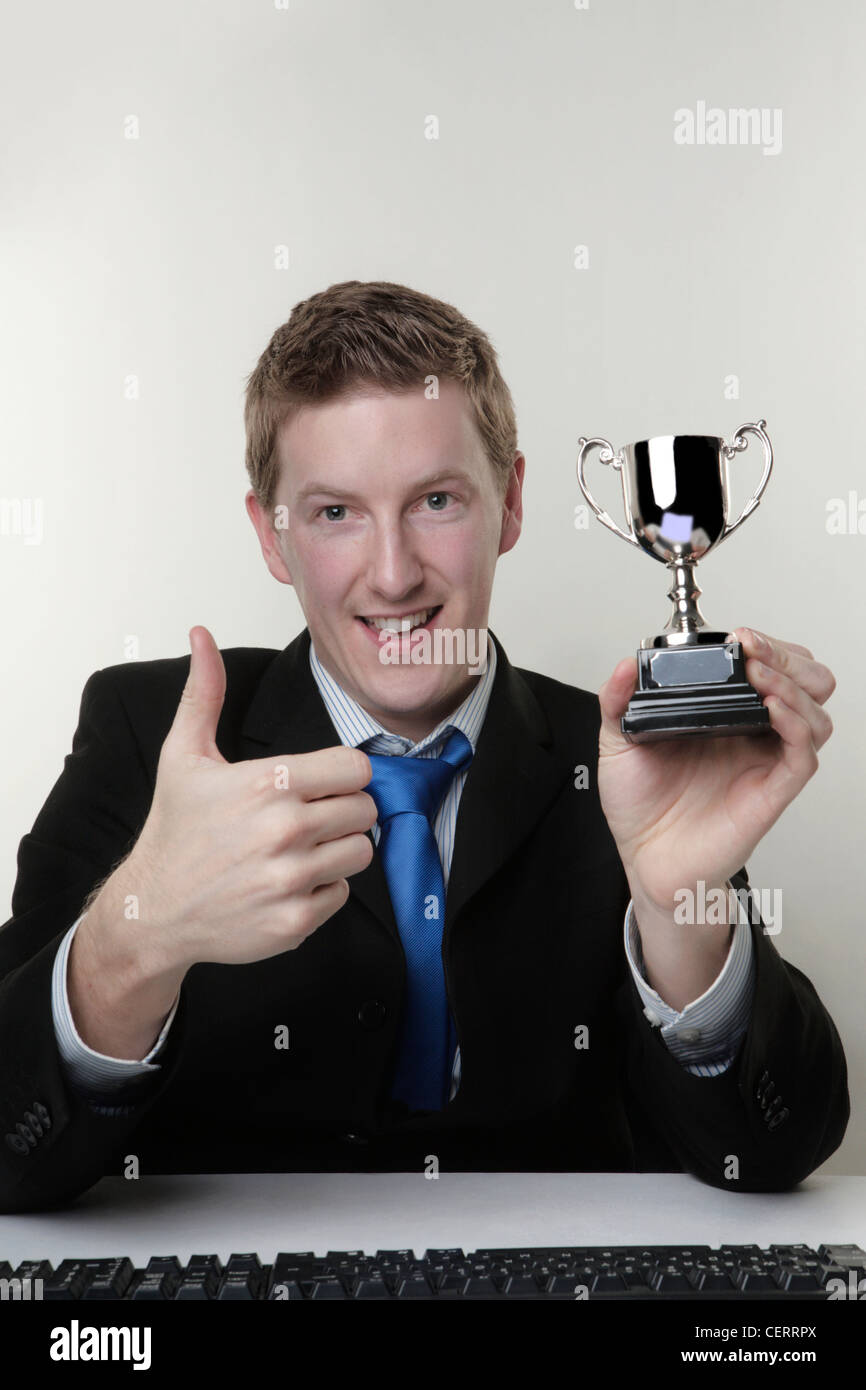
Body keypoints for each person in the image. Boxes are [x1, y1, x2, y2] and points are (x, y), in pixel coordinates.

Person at [0, 281, 848, 1213]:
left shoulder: (626, 759)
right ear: (271, 536)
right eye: (335, 514)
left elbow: (772, 1154)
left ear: (511, 504)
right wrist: (137, 937)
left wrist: (680, 909)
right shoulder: (150, 734)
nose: (395, 573)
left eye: (436, 500)